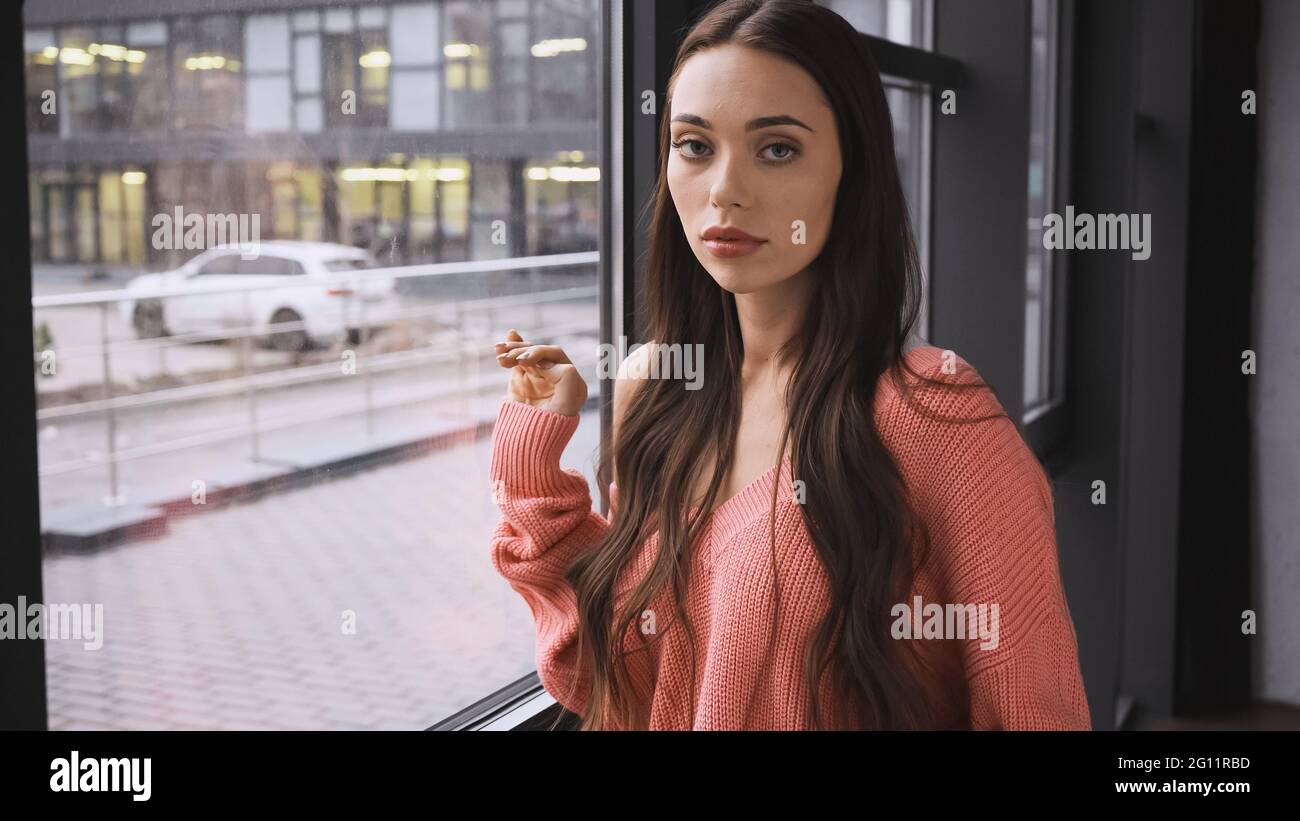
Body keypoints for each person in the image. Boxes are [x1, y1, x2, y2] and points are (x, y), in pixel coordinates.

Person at [488, 0, 1090, 730]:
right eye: (695, 145)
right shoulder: (656, 383)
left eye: (777, 149)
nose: (724, 191)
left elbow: (1035, 706)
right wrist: (535, 467)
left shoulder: (937, 412)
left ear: (852, 170)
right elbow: (630, 672)